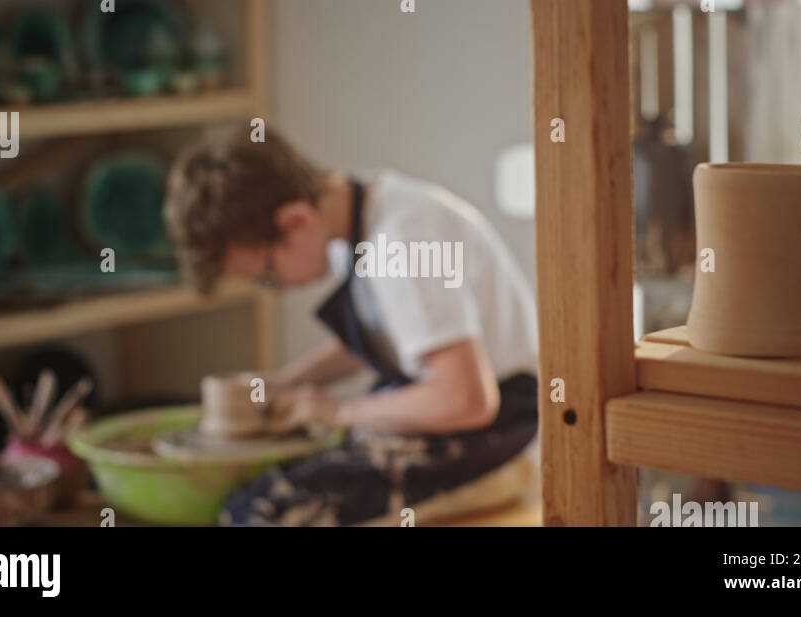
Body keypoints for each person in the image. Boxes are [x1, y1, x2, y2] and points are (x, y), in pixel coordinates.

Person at [164, 127, 539, 526]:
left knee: (263, 514)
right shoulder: (354, 212)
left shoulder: (402, 245)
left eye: (266, 276)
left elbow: (467, 400)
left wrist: (336, 410)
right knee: (267, 484)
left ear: (295, 221)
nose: (272, 292)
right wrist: (287, 382)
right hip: (450, 409)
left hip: (501, 427)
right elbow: (387, 337)